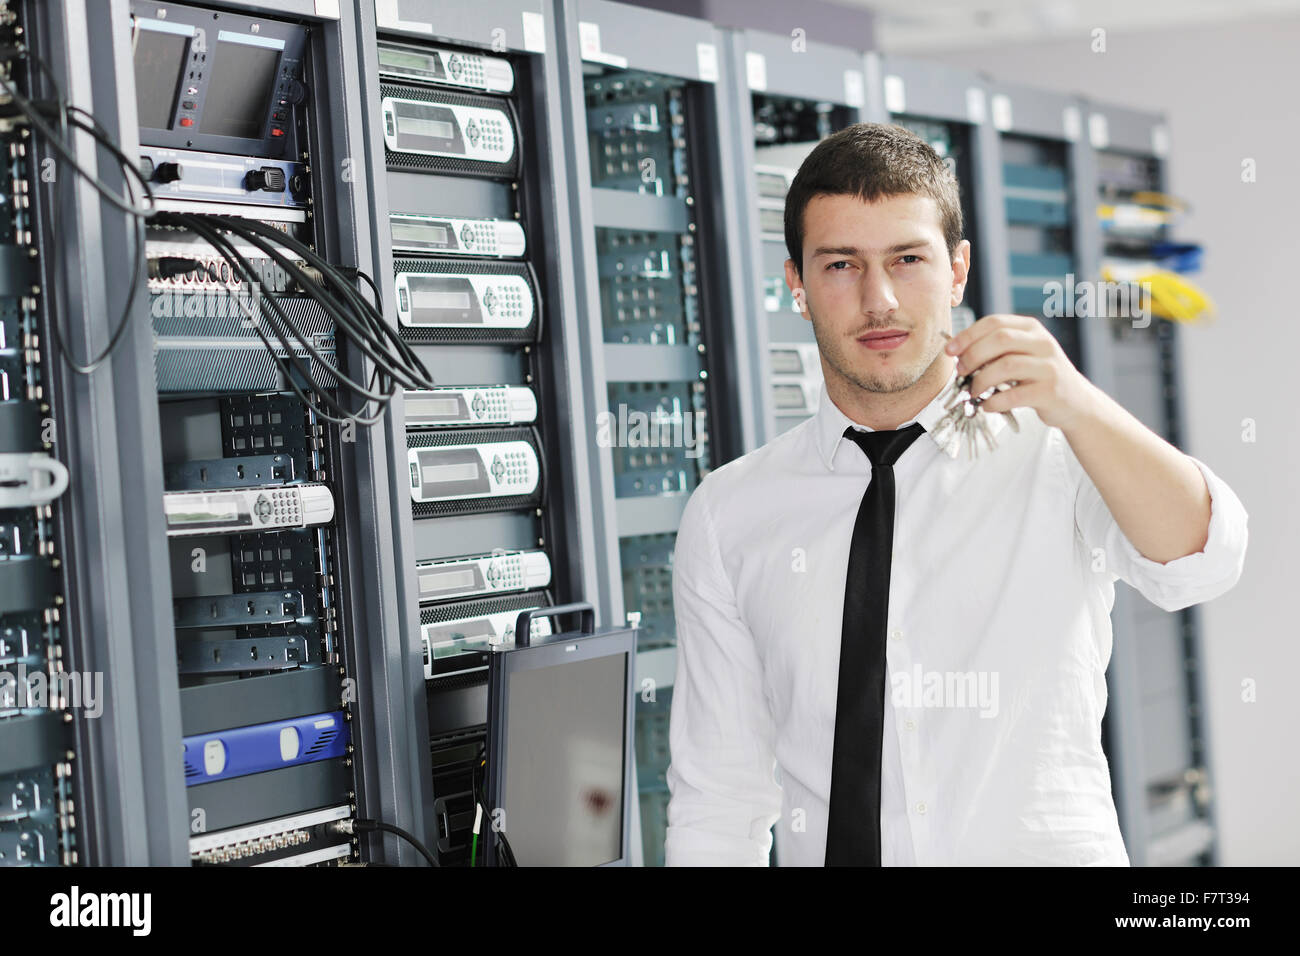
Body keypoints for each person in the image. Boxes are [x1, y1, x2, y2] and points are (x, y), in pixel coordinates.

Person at [663, 123, 1248, 866]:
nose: (878, 300)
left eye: (908, 259)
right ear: (797, 287)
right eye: (841, 264)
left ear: (958, 270)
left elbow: (1203, 561)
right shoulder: (729, 515)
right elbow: (719, 796)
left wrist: (1076, 402)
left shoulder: (1055, 447)